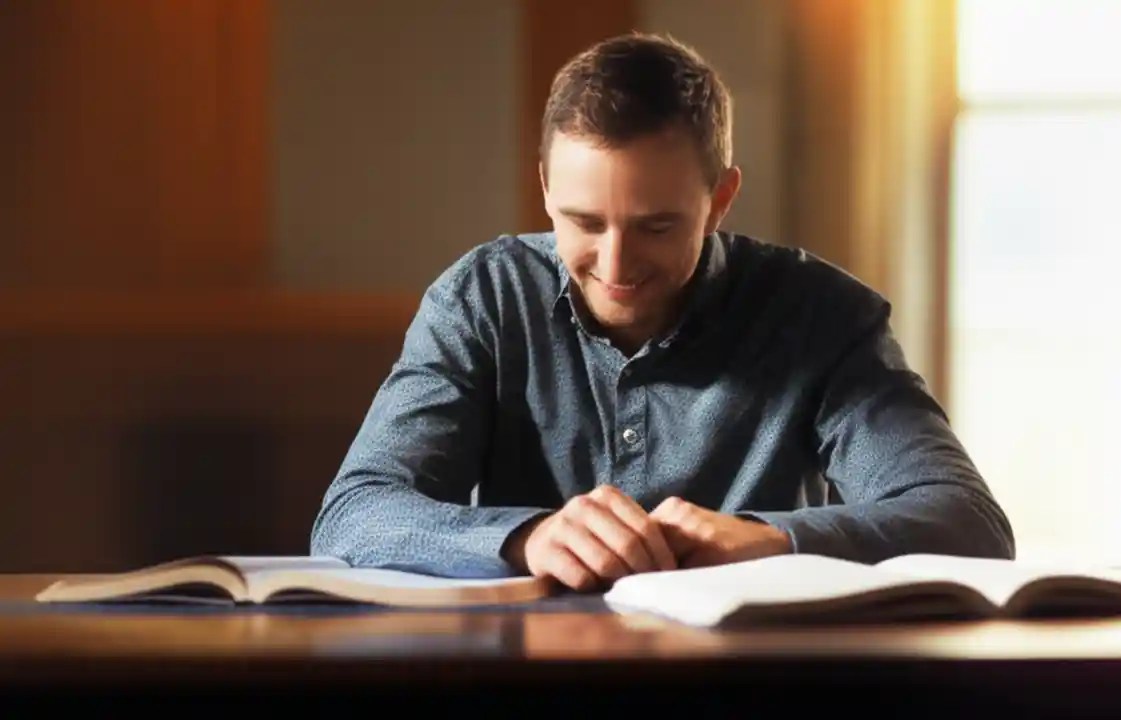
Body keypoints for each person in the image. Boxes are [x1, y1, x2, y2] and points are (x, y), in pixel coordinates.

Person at [310, 32, 1015, 591]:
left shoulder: (821, 316)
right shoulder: (482, 299)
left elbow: (971, 523)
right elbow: (353, 514)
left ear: (721, 199)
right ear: (545, 189)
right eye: (584, 222)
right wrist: (525, 537)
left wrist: (774, 540)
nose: (615, 267)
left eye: (656, 227)